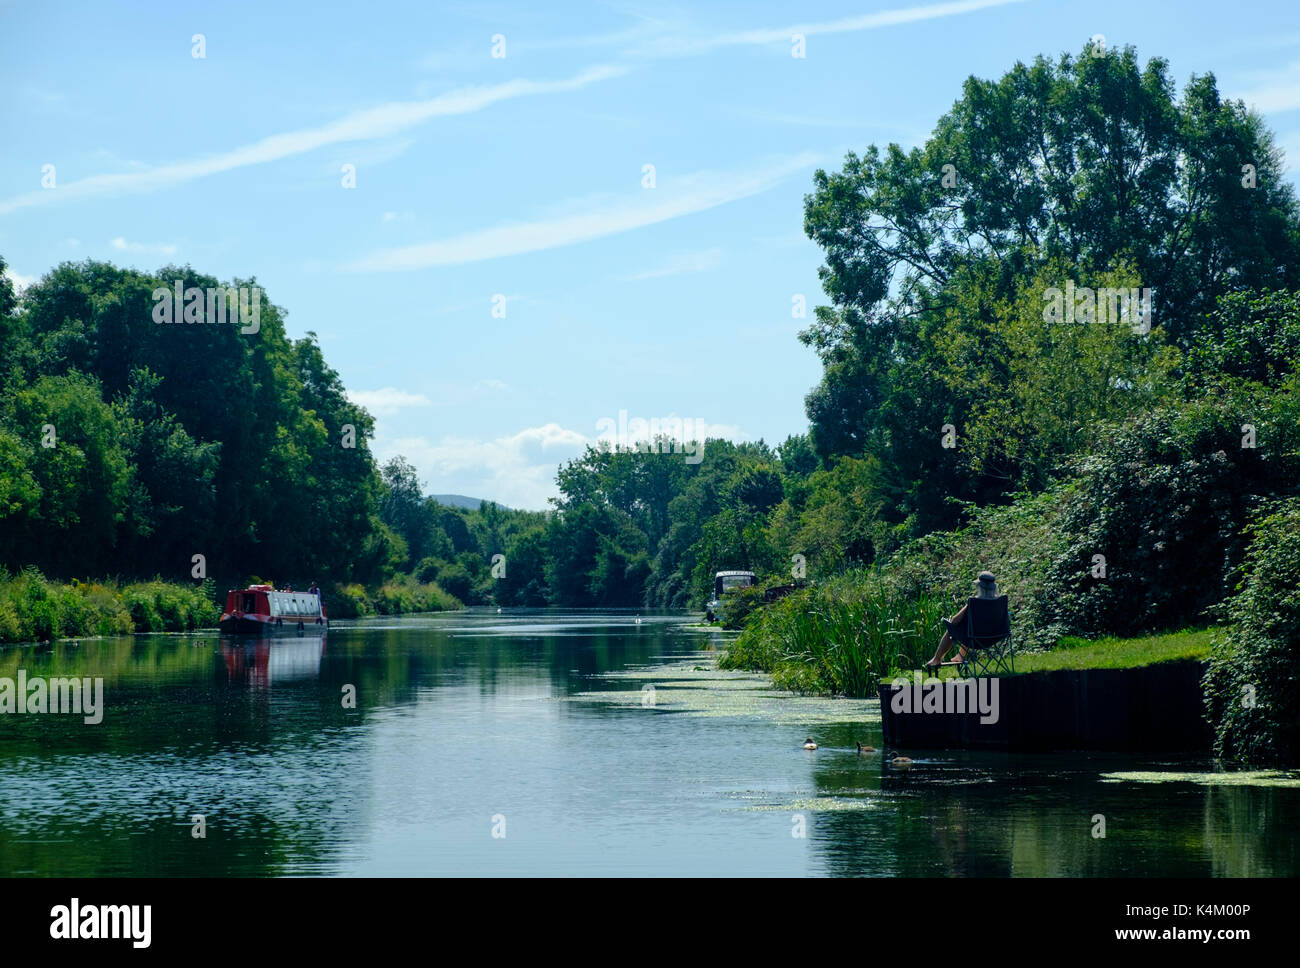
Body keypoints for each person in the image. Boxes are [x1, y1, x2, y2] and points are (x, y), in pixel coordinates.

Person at [924, 571, 999, 669]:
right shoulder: (1000, 601)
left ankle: (937, 658)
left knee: (953, 629)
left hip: (976, 640)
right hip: (995, 638)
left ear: (979, 586)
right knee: (969, 628)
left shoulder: (974, 602)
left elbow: (954, 621)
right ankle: (960, 656)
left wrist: (953, 620)